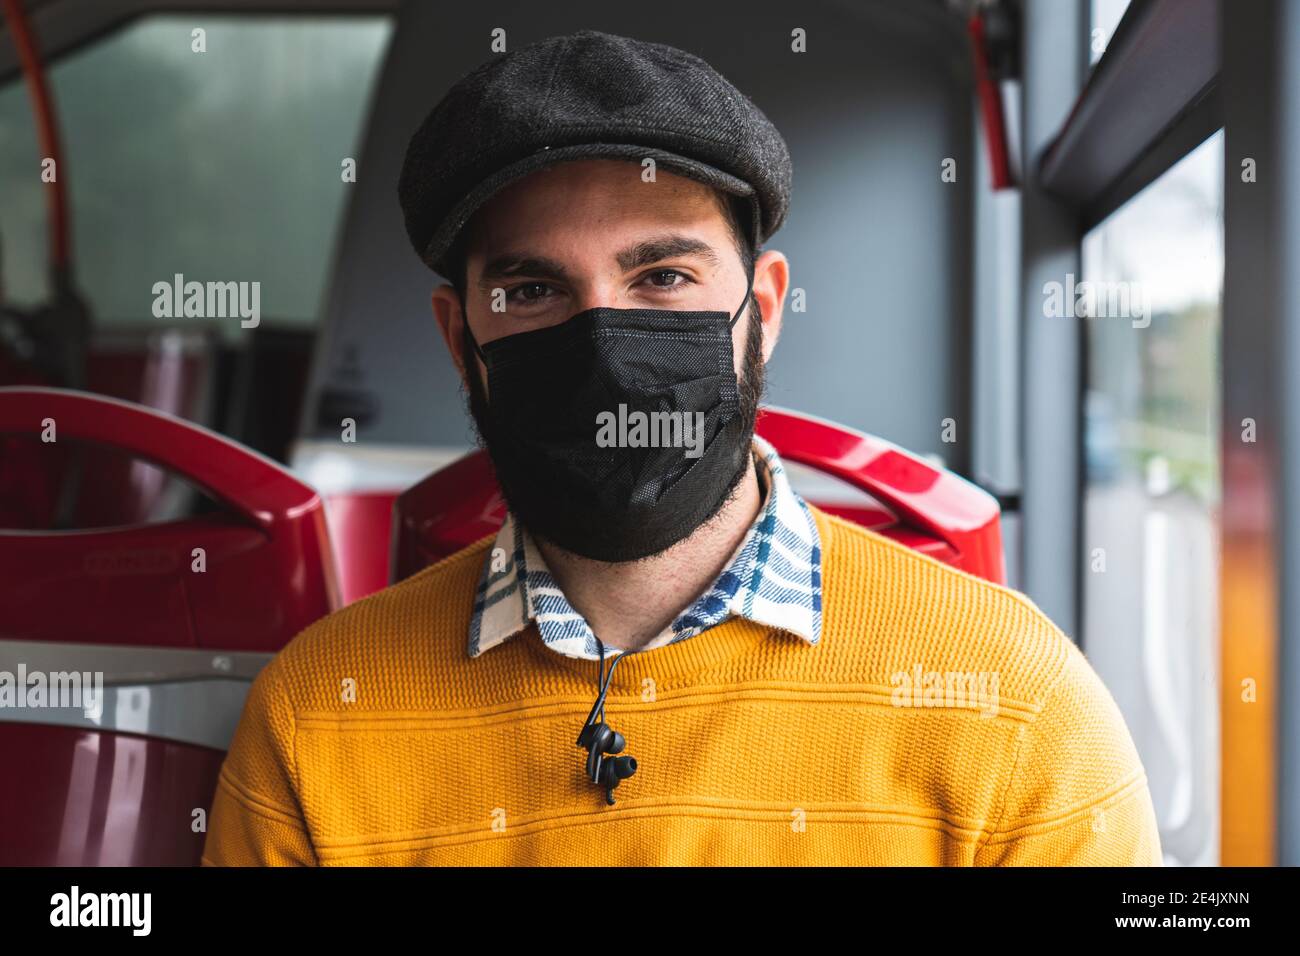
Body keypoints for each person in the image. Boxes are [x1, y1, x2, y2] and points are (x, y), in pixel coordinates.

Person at [203, 28, 1162, 866]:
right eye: (532, 291)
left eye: (662, 275)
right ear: (462, 340)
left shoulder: (1014, 704)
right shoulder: (320, 715)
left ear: (766, 310)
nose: (603, 343)